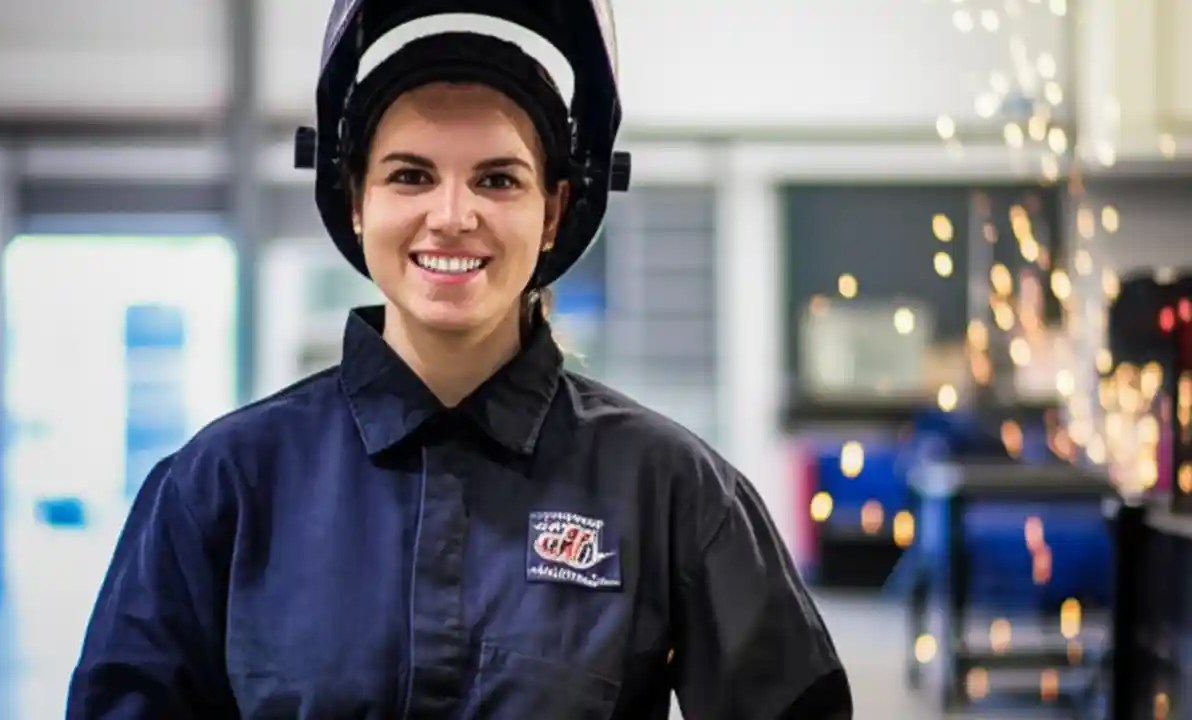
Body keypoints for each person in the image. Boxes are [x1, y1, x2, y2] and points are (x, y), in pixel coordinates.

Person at [67, 1, 853, 718]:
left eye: (498, 180)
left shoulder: (670, 489)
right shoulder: (223, 486)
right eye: (410, 175)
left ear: (553, 212)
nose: (451, 216)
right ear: (354, 201)